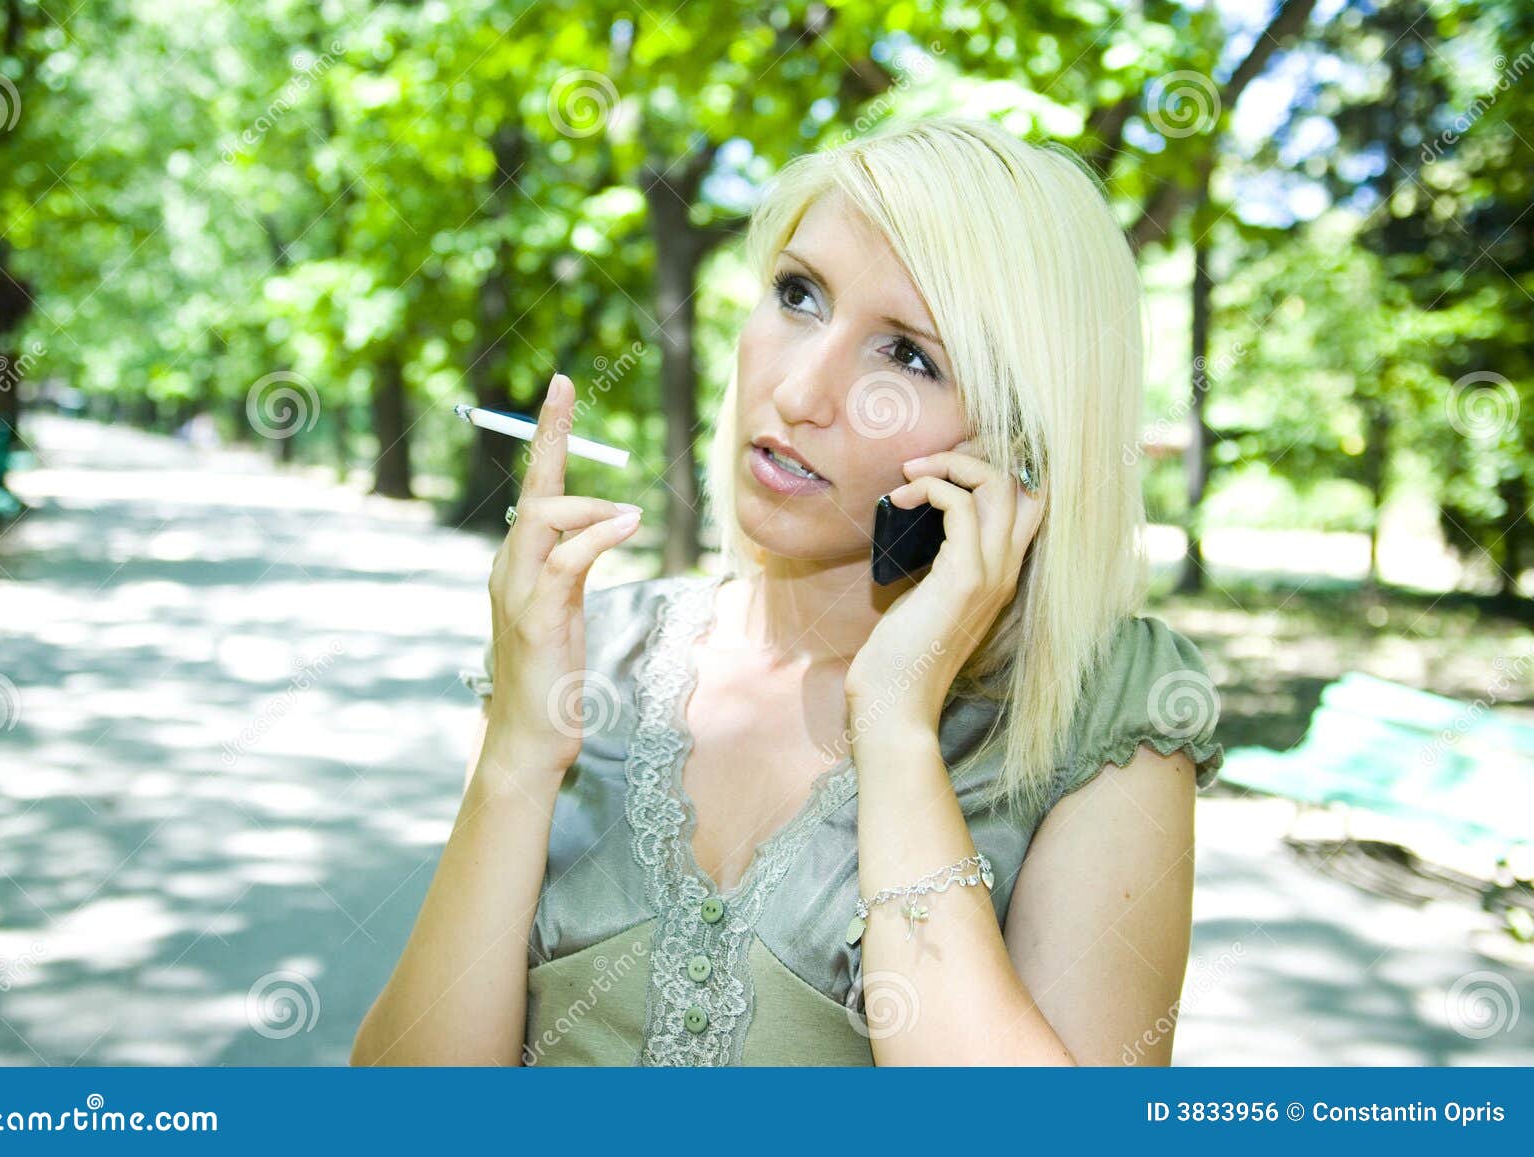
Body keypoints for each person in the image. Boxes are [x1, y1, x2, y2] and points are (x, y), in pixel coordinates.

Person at [350, 114, 1226, 1068]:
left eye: (909, 355)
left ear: (1017, 450)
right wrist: (519, 755)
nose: (801, 389)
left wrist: (894, 722)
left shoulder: (1106, 715)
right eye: (799, 295)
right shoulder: (587, 646)